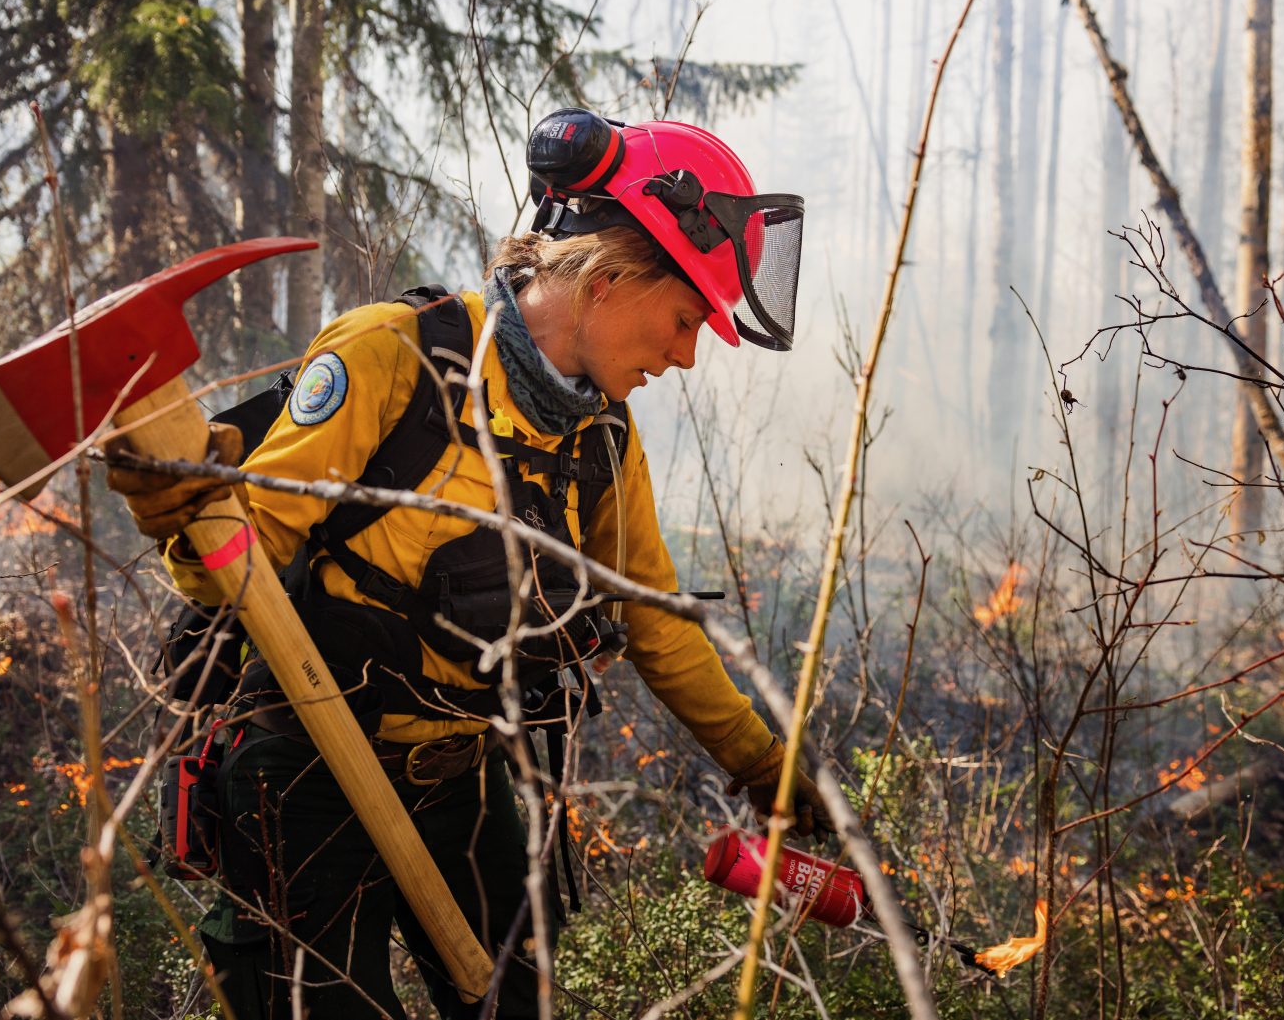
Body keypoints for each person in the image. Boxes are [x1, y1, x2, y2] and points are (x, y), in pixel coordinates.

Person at [107, 107, 830, 1019]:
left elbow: (653, 620)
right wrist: (177, 502)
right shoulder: (391, 356)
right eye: (685, 319)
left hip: (460, 775)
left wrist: (765, 764)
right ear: (608, 279)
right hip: (305, 780)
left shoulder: (603, 438)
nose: (686, 355)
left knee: (514, 999)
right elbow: (231, 574)